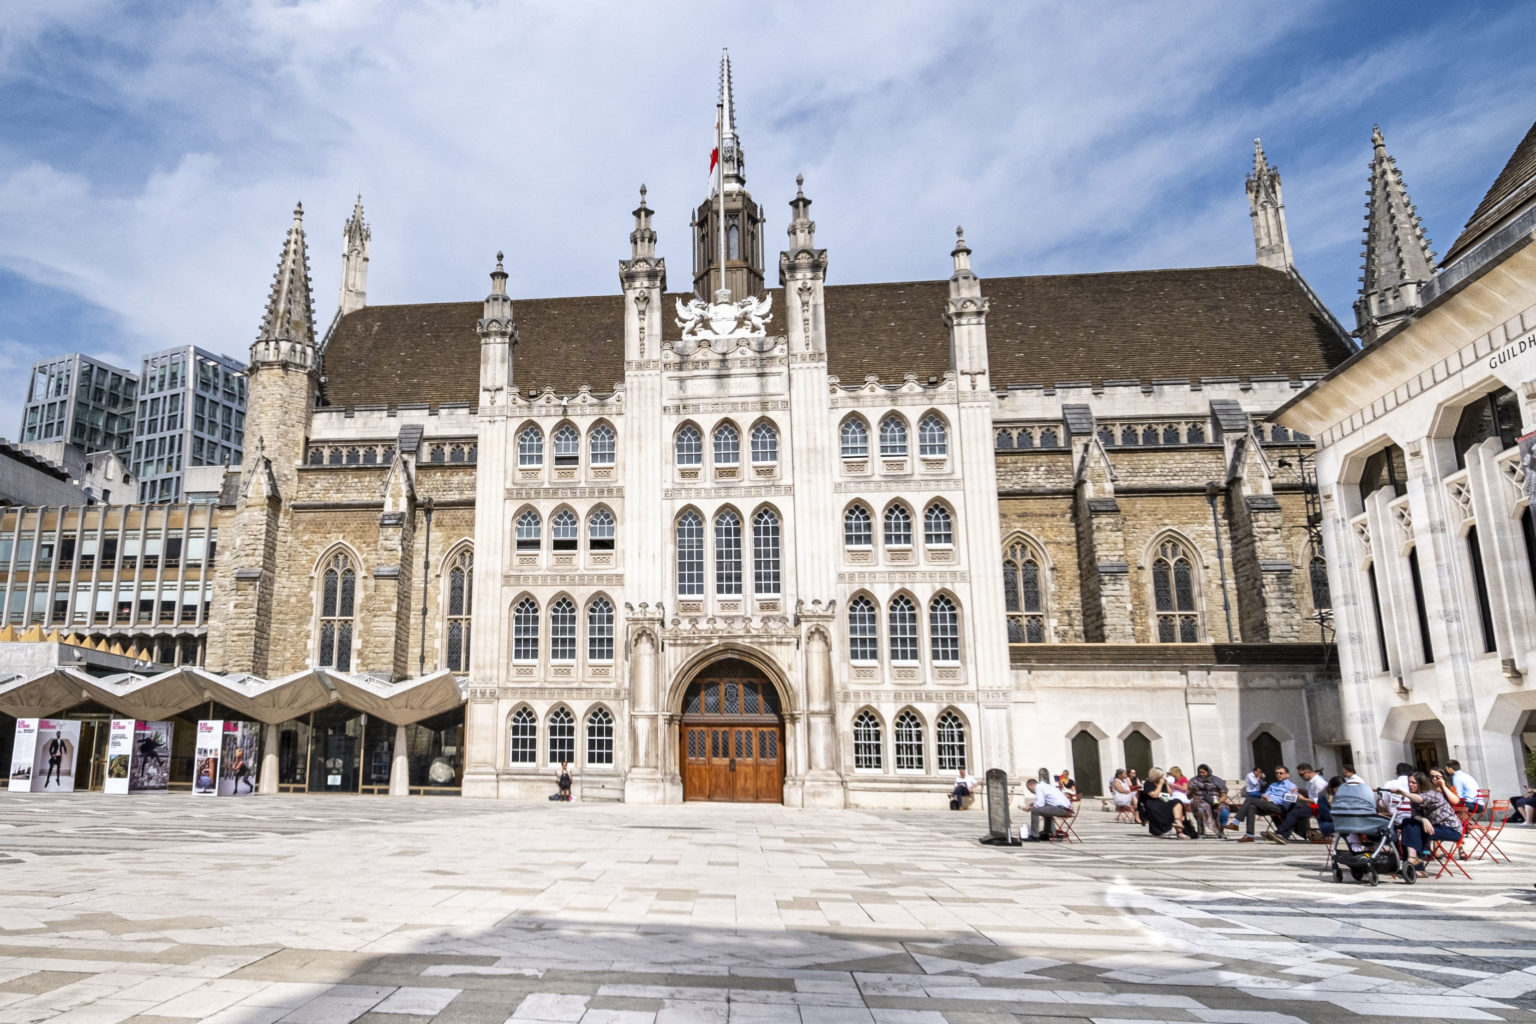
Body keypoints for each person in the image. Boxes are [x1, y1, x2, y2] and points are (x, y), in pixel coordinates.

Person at [1396, 770, 1464, 870]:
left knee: (1414, 830)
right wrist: (1424, 820)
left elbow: (1421, 799)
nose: (1410, 785)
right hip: (1434, 827)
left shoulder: (1433, 794)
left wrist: (1404, 794)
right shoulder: (1414, 797)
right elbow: (1414, 815)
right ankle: (1413, 862)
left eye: (1414, 783)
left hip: (1451, 829)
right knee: (1407, 823)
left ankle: (1414, 865)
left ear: (1421, 784)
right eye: (1409, 782)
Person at [1236, 764, 1297, 843]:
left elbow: (1291, 800)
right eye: (1277, 773)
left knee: (1250, 799)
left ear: (1287, 774)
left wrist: (1276, 800)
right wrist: (1265, 797)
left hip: (1279, 807)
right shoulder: (1273, 785)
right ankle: (1250, 835)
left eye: (1281, 773)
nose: (1278, 775)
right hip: (1268, 805)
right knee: (1251, 807)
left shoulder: (1291, 786)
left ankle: (1236, 821)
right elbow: (1266, 795)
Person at [1138, 768, 1194, 839]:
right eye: (1160, 776)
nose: (1162, 777)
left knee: (1177, 802)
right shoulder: (1148, 783)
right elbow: (1154, 795)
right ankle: (1179, 831)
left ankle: (1178, 826)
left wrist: (1167, 785)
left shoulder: (1164, 783)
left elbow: (1169, 795)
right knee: (1173, 806)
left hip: (1163, 801)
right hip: (1153, 804)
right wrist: (1160, 785)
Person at [1023, 776, 1072, 840]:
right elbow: (1043, 803)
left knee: (1034, 811)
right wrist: (1032, 804)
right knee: (1046, 810)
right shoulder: (1045, 786)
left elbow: (1039, 803)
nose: (1030, 792)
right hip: (1067, 809)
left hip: (1063, 809)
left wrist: (1029, 808)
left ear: (1031, 785)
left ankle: (1034, 836)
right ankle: (1046, 833)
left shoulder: (1038, 788)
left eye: (1029, 789)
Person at [1186, 764, 1227, 837]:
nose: (1201, 774)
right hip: (1199, 800)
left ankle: (1221, 830)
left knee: (1223, 809)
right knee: (1202, 808)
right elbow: (1188, 796)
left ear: (1208, 771)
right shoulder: (1193, 780)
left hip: (1215, 800)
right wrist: (1191, 791)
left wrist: (1218, 802)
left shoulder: (1217, 780)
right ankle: (1201, 832)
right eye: (1200, 772)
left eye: (1203, 772)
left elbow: (1224, 795)